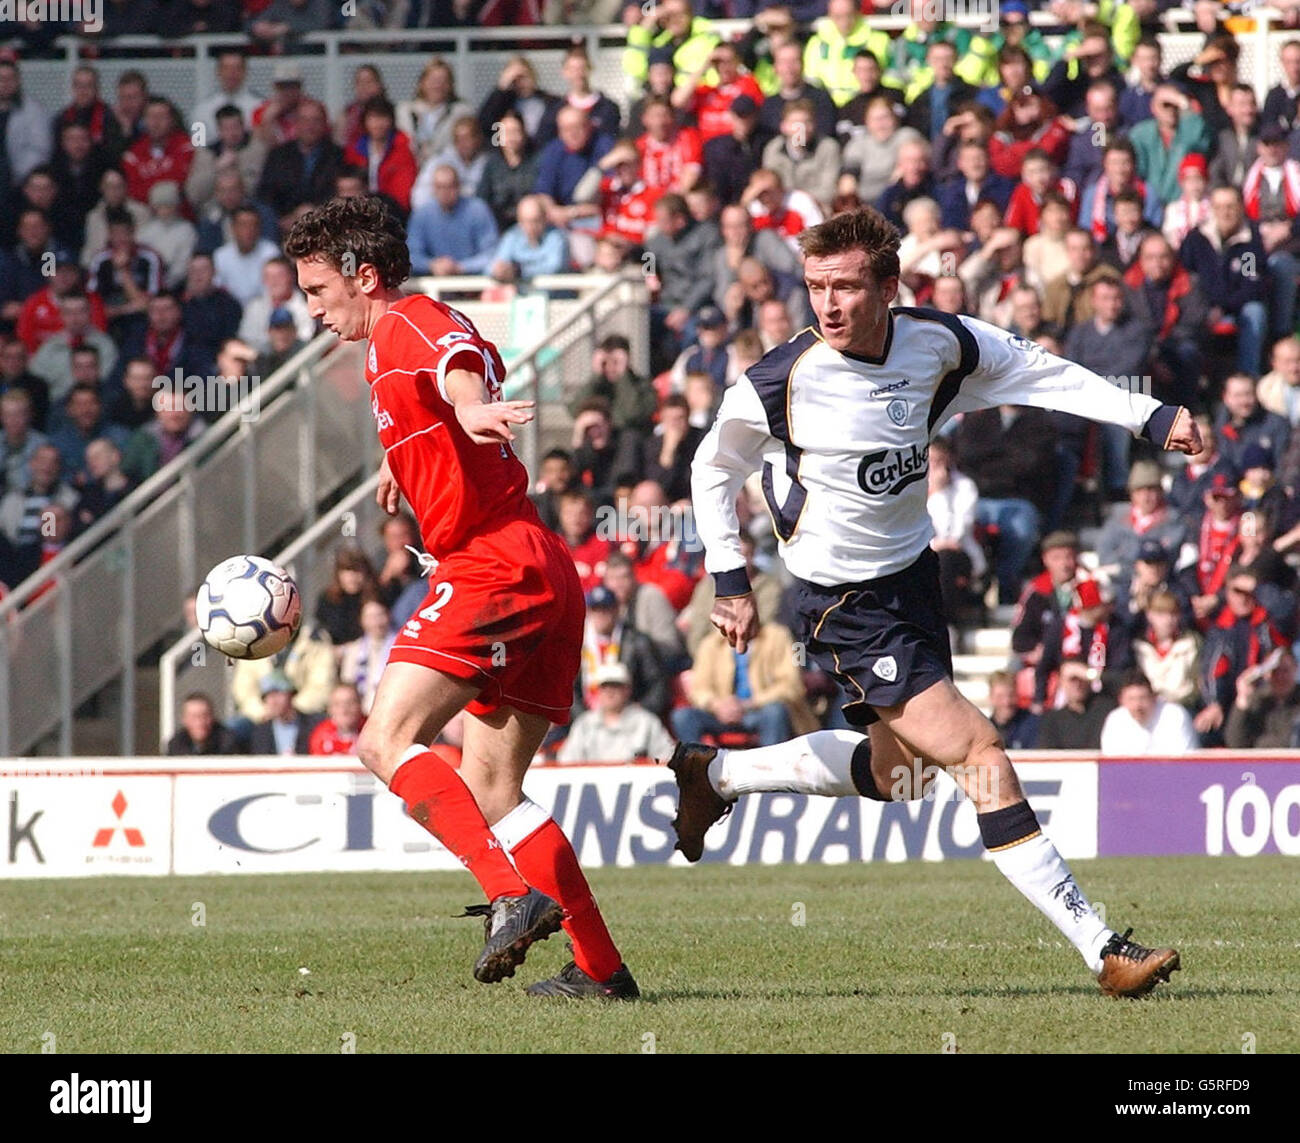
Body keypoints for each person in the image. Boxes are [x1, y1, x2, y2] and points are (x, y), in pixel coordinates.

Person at [673, 206, 1196, 997]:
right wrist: (729, 575)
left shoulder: (942, 342)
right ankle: (1102, 947)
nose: (828, 306)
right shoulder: (781, 379)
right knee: (980, 752)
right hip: (838, 598)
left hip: (913, 577)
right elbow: (712, 467)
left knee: (895, 774)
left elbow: (1046, 372)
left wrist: (1149, 414)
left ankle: (715, 777)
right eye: (816, 287)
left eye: (846, 287)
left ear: (889, 287)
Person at [285, 194, 635, 999]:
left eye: (316, 291)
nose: (311, 310)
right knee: (494, 787)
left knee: (383, 740)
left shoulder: (407, 322)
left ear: (362, 276)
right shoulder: (385, 348)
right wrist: (402, 460)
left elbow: (455, 363)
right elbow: (432, 398)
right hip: (541, 564)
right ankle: (602, 970)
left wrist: (471, 408)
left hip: (491, 565)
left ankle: (511, 894)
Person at [557, 660, 674, 764]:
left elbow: (666, 758)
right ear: (598, 691)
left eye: (615, 686)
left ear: (627, 690)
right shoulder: (584, 724)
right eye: (605, 687)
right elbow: (567, 762)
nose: (610, 692)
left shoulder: (646, 722)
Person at [1099, 669, 1198, 754]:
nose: (1137, 706)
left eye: (1143, 698)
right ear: (1121, 701)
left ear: (1154, 697)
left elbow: (1184, 760)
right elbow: (1111, 762)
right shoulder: (1115, 720)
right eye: (1131, 699)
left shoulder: (1175, 716)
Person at [1223, 646, 1300, 749]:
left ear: (1295, 669)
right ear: (1266, 674)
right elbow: (1235, 742)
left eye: (1285, 670)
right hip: (1259, 763)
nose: (1280, 677)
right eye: (1275, 671)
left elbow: (1291, 742)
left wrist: (1259, 742)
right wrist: (1243, 698)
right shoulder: (1257, 700)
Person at [248, 671, 318, 755]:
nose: (273, 701)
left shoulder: (313, 726)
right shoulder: (261, 733)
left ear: (291, 695)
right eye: (268, 697)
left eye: (277, 694)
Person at [167, 692, 244, 756]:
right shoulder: (176, 745)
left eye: (205, 716)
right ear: (184, 720)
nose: (200, 722)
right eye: (194, 717)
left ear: (212, 717)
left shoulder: (227, 742)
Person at [308, 682, 366, 756]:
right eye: (337, 704)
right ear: (329, 709)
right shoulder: (320, 735)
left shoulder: (372, 732)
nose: (344, 709)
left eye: (350, 703)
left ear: (360, 705)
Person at [985, 669, 1038, 750]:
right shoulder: (985, 730)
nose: (1006, 702)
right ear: (991, 698)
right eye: (1000, 697)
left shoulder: (1033, 725)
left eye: (1011, 695)